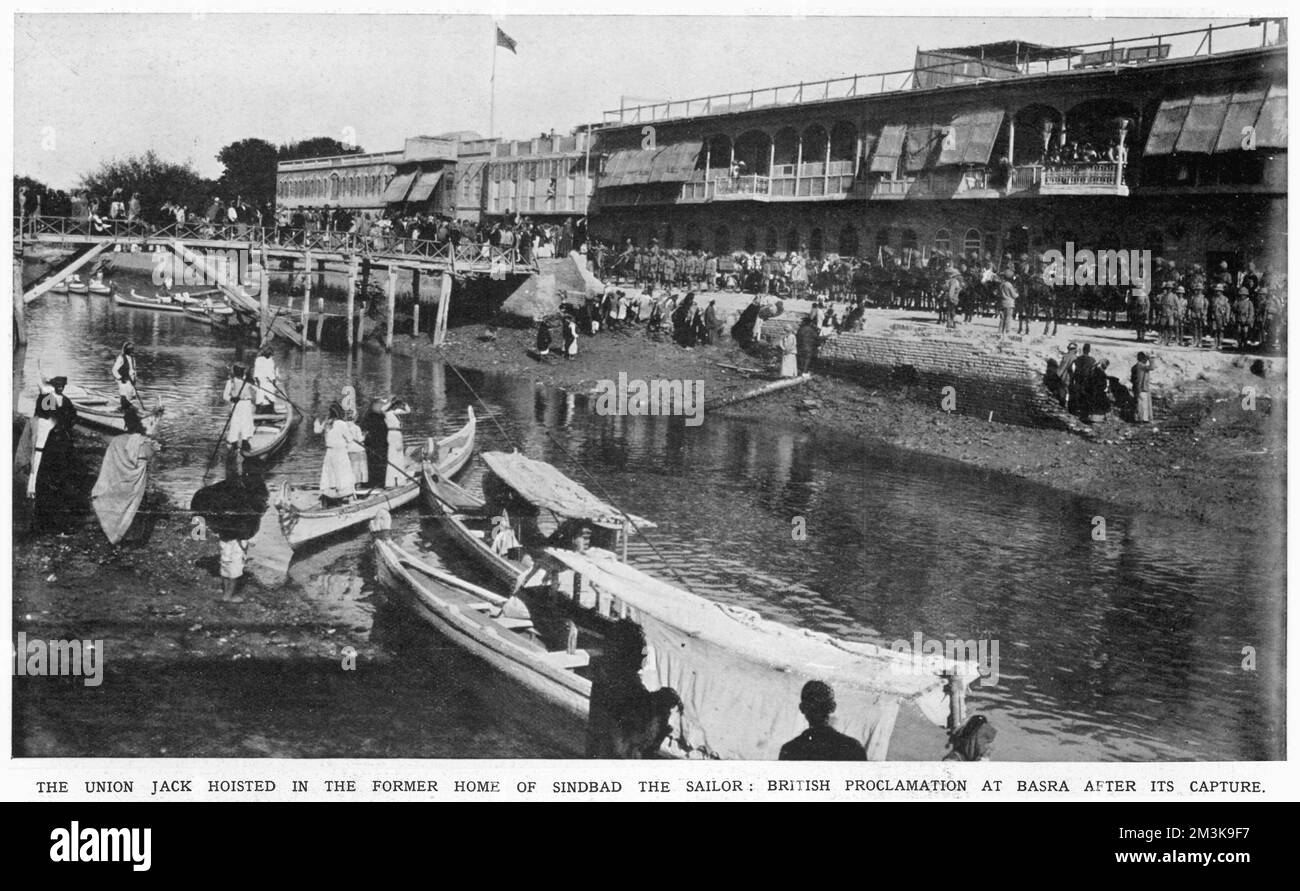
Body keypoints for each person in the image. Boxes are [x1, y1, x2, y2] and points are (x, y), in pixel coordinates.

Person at [586, 618, 681, 759]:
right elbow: (634, 708)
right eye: (641, 650)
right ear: (627, 651)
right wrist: (662, 699)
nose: (645, 654)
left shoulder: (610, 671)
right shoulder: (620, 678)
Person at [91, 407, 163, 544]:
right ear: (140, 425)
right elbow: (150, 456)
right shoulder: (145, 442)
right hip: (135, 484)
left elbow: (109, 465)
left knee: (115, 499)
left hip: (119, 484)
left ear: (125, 424)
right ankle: (130, 533)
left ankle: (113, 531)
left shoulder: (116, 441)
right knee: (135, 503)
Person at [26, 374, 82, 533]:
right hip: (49, 445)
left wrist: (65, 426)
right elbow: (45, 413)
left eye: (62, 386)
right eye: (58, 385)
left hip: (60, 442)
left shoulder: (64, 400)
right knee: (45, 481)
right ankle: (42, 520)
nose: (60, 388)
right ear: (53, 386)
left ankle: (47, 519)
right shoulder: (48, 399)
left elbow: (72, 417)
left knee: (57, 480)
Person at [778, 680, 867, 761]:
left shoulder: (790, 750)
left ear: (802, 708)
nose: (816, 710)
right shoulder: (853, 747)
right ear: (832, 707)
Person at [316, 402, 358, 503]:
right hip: (340, 453)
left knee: (330, 474)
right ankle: (347, 496)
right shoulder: (341, 424)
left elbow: (318, 431)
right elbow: (350, 439)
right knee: (344, 473)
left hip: (329, 453)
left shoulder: (327, 424)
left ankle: (329, 494)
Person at [222, 364, 257, 476]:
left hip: (246, 403)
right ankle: (234, 442)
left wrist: (251, 381)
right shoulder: (230, 382)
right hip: (236, 404)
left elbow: (256, 390)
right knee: (235, 424)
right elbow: (225, 396)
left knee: (247, 423)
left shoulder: (247, 381)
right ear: (237, 372)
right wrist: (232, 398)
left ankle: (246, 441)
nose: (242, 374)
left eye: (243, 372)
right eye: (240, 372)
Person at [361, 397, 389, 488]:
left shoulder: (381, 416)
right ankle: (375, 482)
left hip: (381, 444)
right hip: (374, 444)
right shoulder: (370, 416)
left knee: (379, 463)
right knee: (375, 463)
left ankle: (379, 481)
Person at [383, 398, 411, 488]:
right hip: (392, 434)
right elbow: (383, 409)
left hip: (398, 434)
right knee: (392, 457)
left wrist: (404, 403)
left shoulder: (396, 412)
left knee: (399, 457)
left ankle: (400, 480)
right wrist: (391, 401)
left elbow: (408, 411)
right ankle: (390, 482)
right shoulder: (387, 414)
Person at [111, 341, 138, 409]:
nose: (131, 350)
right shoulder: (121, 358)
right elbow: (114, 370)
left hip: (131, 381)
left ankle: (129, 409)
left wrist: (134, 379)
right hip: (123, 381)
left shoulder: (132, 358)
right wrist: (120, 377)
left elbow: (133, 370)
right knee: (124, 396)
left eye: (132, 348)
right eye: (130, 348)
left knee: (131, 396)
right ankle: (124, 409)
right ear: (126, 349)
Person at [252, 346, 278, 410]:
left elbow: (272, 372)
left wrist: (274, 381)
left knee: (271, 394)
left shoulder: (271, 360)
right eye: (268, 354)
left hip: (269, 381)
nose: (270, 355)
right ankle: (259, 408)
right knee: (260, 395)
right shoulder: (259, 360)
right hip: (261, 381)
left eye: (270, 354)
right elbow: (256, 372)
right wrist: (258, 383)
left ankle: (271, 408)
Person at [1130, 352, 1153, 424]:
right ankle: (1141, 420)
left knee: (1140, 404)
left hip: (1137, 387)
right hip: (1142, 388)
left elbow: (1132, 379)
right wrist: (1151, 359)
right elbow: (1152, 367)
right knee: (1142, 405)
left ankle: (1141, 419)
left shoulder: (1135, 367)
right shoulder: (1141, 366)